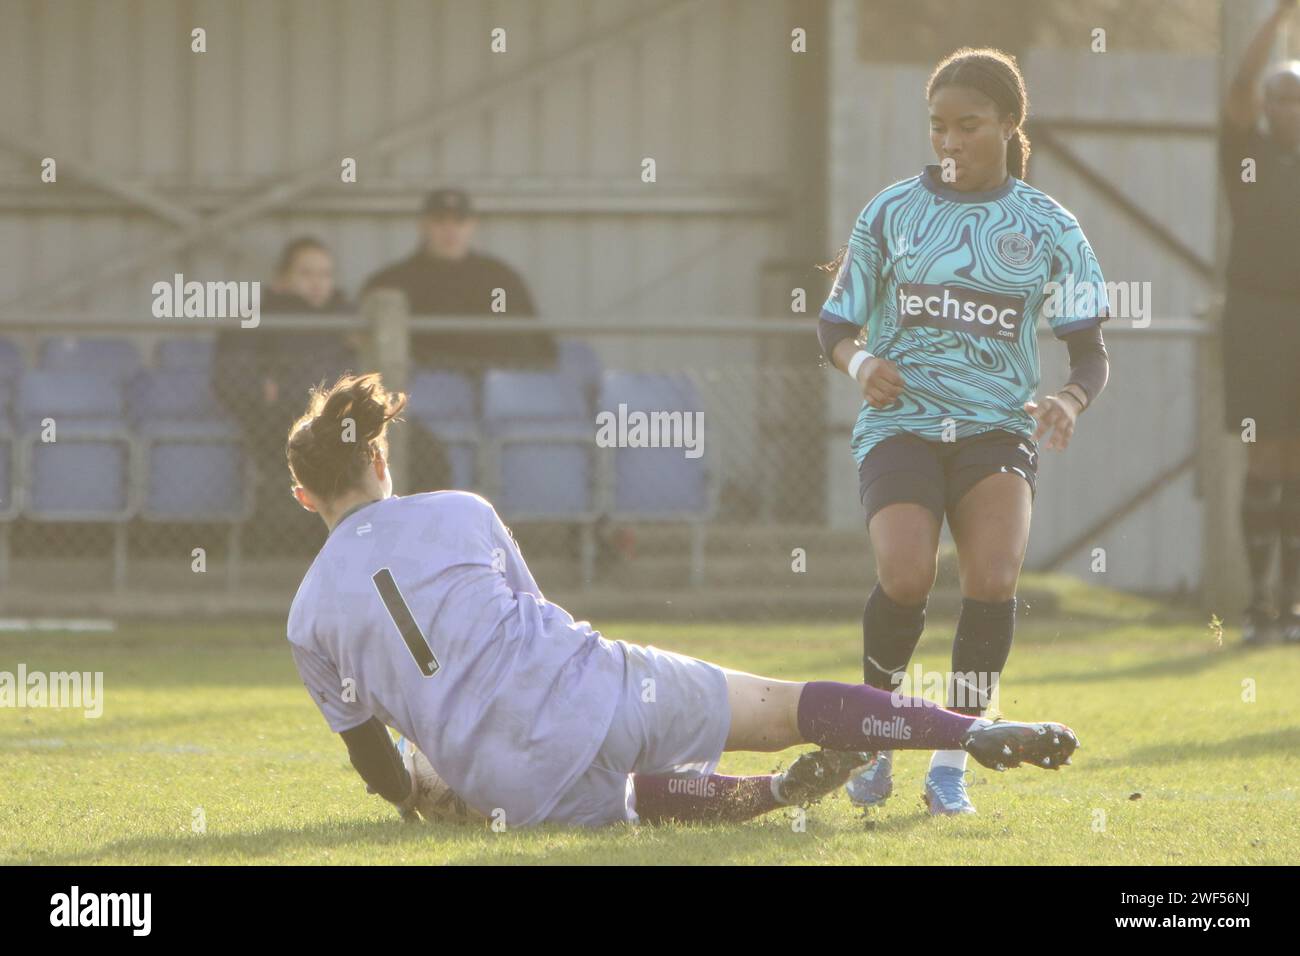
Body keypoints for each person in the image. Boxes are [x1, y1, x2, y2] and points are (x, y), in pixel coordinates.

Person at [283, 372, 1078, 829]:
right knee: (782, 707)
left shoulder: (307, 616)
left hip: (510, 784)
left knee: (633, 804)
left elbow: (374, 761)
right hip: (596, 688)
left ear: (302, 495)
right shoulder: (460, 510)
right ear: (380, 460)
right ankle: (968, 731)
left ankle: (770, 796)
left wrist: (418, 798)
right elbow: (527, 611)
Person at [816, 48, 1109, 816]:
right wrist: (861, 363)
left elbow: (1090, 352)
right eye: (937, 126)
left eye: (968, 125)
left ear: (1009, 124)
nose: (949, 141)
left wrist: (1070, 399)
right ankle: (874, 737)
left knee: (994, 578)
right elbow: (835, 325)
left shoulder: (1049, 226)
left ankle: (950, 763)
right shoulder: (891, 211)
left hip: (994, 431)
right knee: (906, 575)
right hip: (902, 425)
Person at [1219, 0, 1300, 646]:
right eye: (1280, 97)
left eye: (1297, 97)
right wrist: (1278, 18)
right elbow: (1242, 85)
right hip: (1255, 317)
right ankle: (1257, 605)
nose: (1287, 107)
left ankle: (1294, 605)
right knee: (1264, 454)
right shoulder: (1246, 153)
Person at [213, 236, 357, 554]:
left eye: (325, 274)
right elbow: (232, 373)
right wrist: (261, 387)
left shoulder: (349, 320)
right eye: (306, 274)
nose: (317, 283)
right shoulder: (257, 316)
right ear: (282, 279)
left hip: (345, 419)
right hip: (281, 421)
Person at [361, 188, 555, 370]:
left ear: (472, 225)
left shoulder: (500, 279)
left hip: (494, 382)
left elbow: (532, 340)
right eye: (440, 220)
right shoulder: (391, 282)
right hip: (418, 383)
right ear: (423, 225)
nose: (450, 229)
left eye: (459, 221)